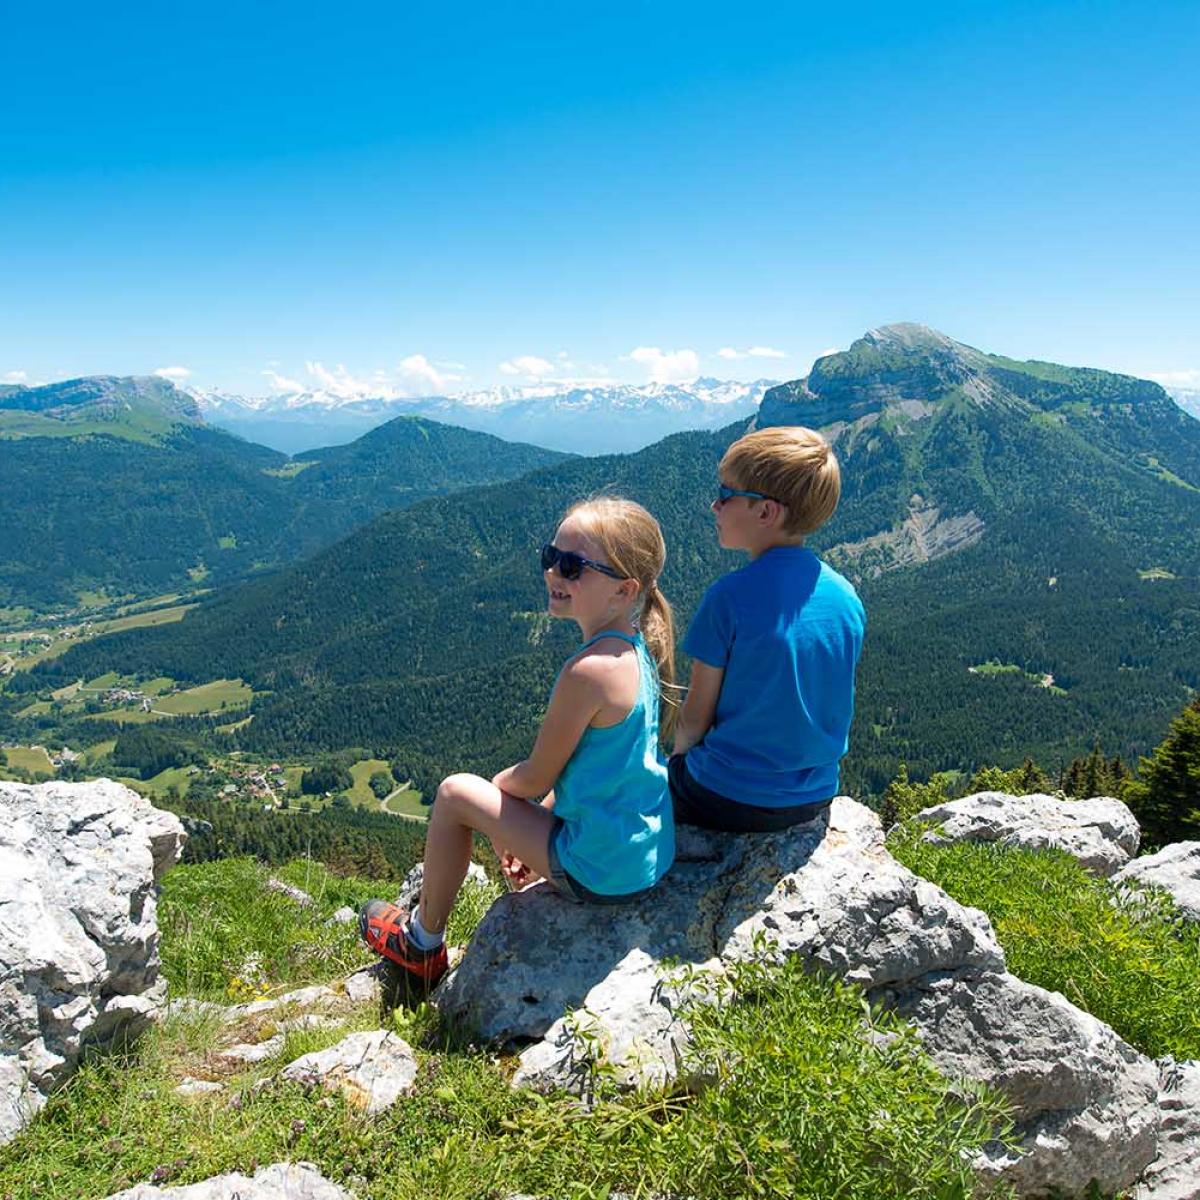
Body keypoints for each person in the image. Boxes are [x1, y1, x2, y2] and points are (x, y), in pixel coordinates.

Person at [360, 496, 677, 991]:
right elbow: (598, 768)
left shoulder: (588, 672)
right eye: (550, 556)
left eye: (572, 566)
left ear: (623, 589)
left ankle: (421, 944)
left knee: (453, 795)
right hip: (639, 858)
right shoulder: (640, 648)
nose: (554, 573)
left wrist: (500, 792)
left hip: (597, 869)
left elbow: (535, 776)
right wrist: (529, 821)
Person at [669, 426, 865, 832]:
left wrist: (677, 765)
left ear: (765, 512)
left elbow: (694, 719)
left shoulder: (729, 598)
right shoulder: (847, 598)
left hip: (724, 794)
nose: (714, 506)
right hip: (813, 797)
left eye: (725, 495)